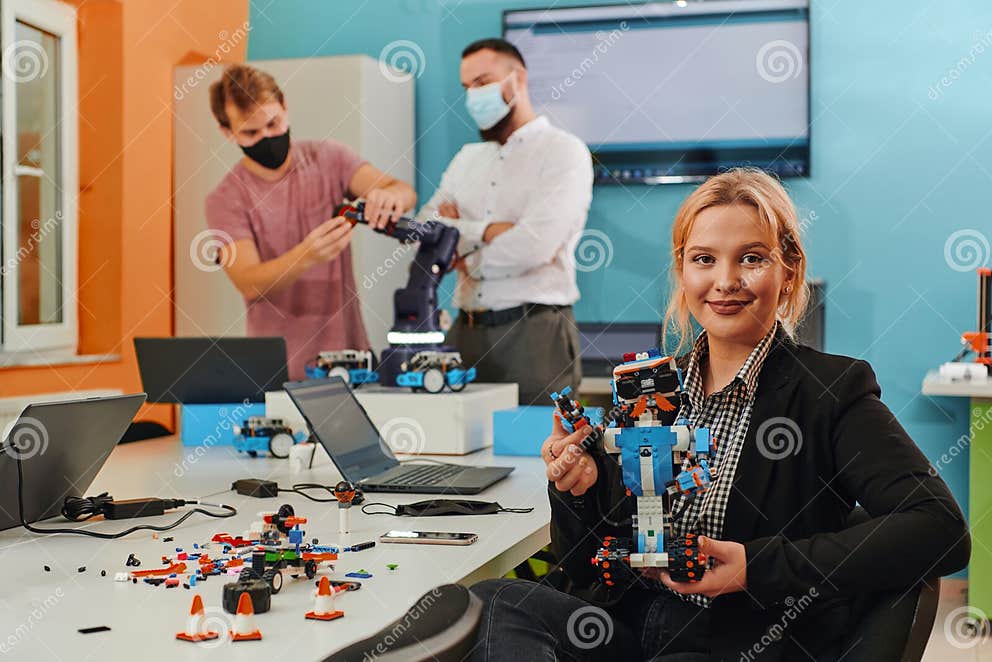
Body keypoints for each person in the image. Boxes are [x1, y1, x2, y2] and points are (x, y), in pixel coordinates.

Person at [469, 168, 970, 661]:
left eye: (751, 258)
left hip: (734, 639)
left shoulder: (832, 391)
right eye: (704, 259)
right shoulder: (648, 390)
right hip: (621, 624)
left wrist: (754, 566)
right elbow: (581, 565)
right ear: (683, 270)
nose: (725, 281)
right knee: (492, 605)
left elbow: (939, 527)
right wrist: (575, 491)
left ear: (788, 270)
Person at [205, 64, 416, 379]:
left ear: (286, 107)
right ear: (227, 132)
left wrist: (391, 198)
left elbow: (402, 191)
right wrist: (307, 255)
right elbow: (248, 282)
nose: (267, 137)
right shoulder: (225, 198)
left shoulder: (329, 158)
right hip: (281, 371)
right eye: (251, 132)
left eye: (273, 123)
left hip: (353, 360)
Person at [417, 38, 593, 404]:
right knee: (459, 453)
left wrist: (463, 247)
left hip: (534, 335)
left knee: (539, 452)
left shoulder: (564, 151)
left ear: (518, 78)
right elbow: (425, 230)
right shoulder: (467, 159)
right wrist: (490, 232)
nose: (472, 96)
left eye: (482, 82)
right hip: (464, 334)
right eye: (466, 88)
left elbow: (534, 246)